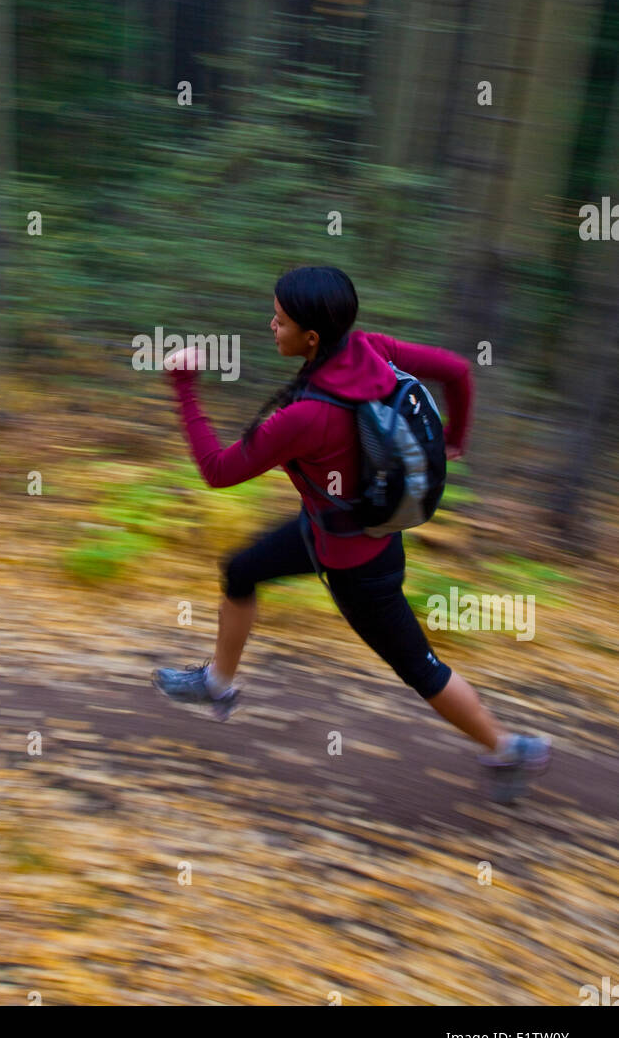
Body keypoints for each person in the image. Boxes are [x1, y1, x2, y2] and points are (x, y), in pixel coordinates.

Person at [152, 265, 551, 805]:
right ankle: (218, 684)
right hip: (331, 529)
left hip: (358, 567)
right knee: (242, 569)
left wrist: (184, 386)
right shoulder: (370, 348)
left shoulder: (305, 418)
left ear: (311, 338)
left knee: (418, 666)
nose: (271, 325)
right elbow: (457, 370)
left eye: (281, 319)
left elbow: (218, 470)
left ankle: (507, 749)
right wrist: (455, 440)